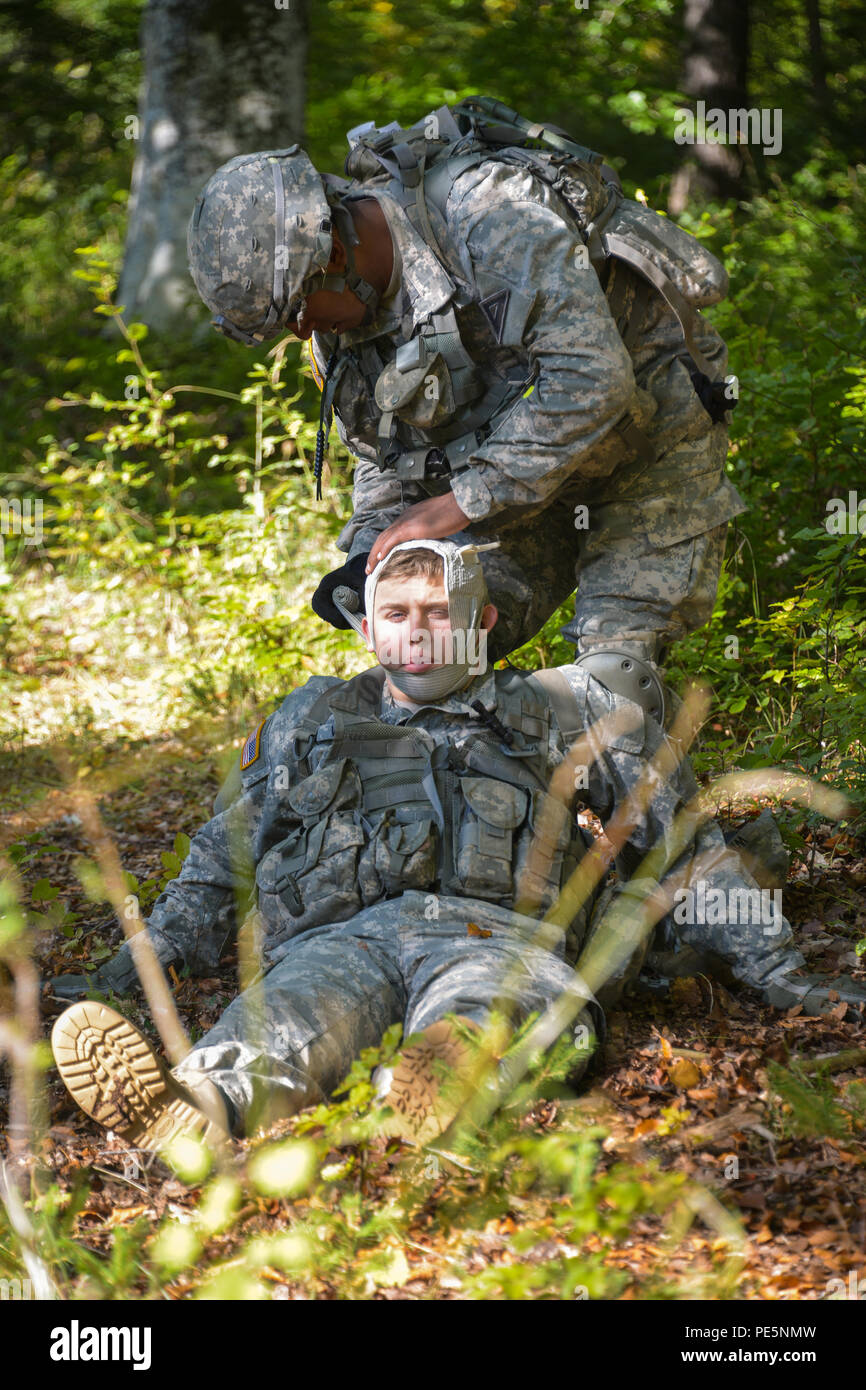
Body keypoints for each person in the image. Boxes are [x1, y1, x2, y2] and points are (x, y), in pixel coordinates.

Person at [51, 542, 865, 1158]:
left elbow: (690, 846)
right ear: (366, 627)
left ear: (481, 622)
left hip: (500, 942)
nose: (416, 634)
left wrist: (785, 979)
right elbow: (218, 862)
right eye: (395, 615)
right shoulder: (311, 721)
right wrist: (135, 969)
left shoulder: (567, 708)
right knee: (283, 1024)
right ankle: (196, 1112)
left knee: (486, 1022)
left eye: (438, 613)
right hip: (343, 941)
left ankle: (429, 1086)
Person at [185, 100, 746, 723]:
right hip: (516, 475)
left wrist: (458, 505)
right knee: (435, 663)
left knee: (617, 690)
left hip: (648, 441)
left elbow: (593, 379)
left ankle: (643, 809)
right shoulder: (335, 317)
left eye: (297, 311)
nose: (301, 332)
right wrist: (377, 556)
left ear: (334, 256)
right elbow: (383, 455)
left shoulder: (486, 215)